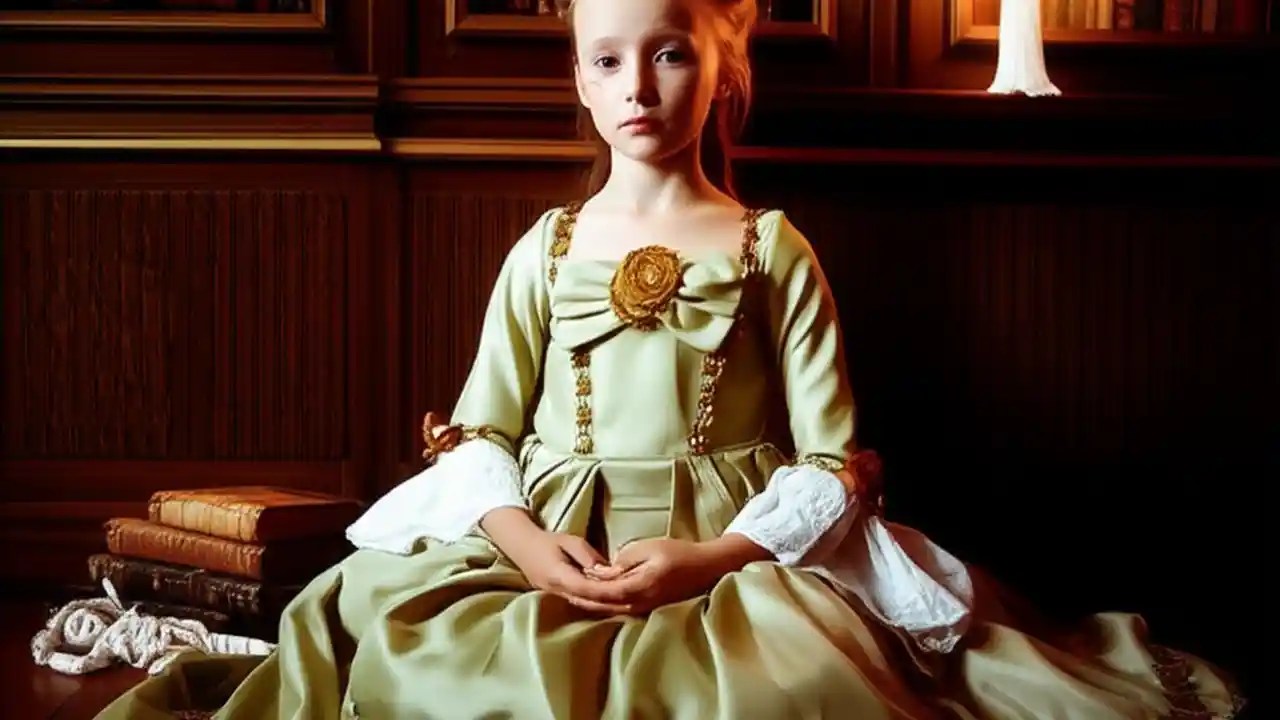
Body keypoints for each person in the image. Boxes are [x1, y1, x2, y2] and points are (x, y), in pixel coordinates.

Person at [94, 0, 1246, 716]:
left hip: (734, 546)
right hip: (550, 535)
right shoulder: (544, 250)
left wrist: (708, 559)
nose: (634, 89)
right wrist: (533, 551)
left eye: (667, 55)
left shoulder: (770, 248)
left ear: (721, 62)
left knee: (782, 689)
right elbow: (478, 433)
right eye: (605, 61)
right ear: (578, 75)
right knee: (434, 665)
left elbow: (834, 459)